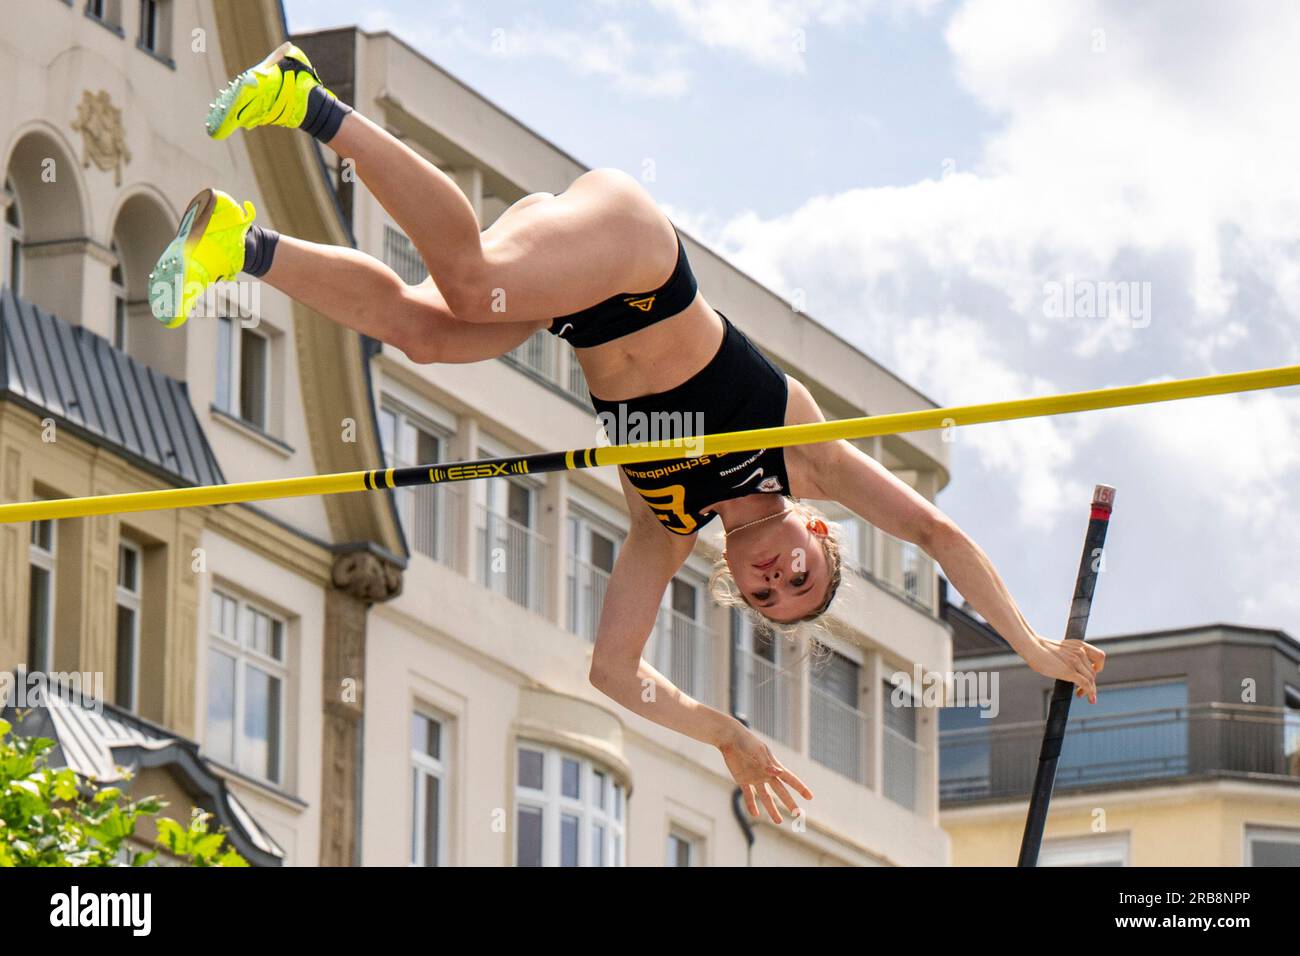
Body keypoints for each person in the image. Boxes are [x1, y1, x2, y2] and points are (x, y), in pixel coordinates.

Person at [151, 42, 1105, 825]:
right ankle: (304, 98)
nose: (777, 578)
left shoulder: (667, 521)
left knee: (426, 332)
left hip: (578, 303)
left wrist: (723, 732)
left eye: (766, 596)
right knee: (468, 275)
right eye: (800, 577)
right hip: (634, 257)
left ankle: (239, 244)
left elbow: (613, 671)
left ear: (741, 584)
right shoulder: (806, 459)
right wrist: (1028, 647)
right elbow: (938, 537)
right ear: (818, 536)